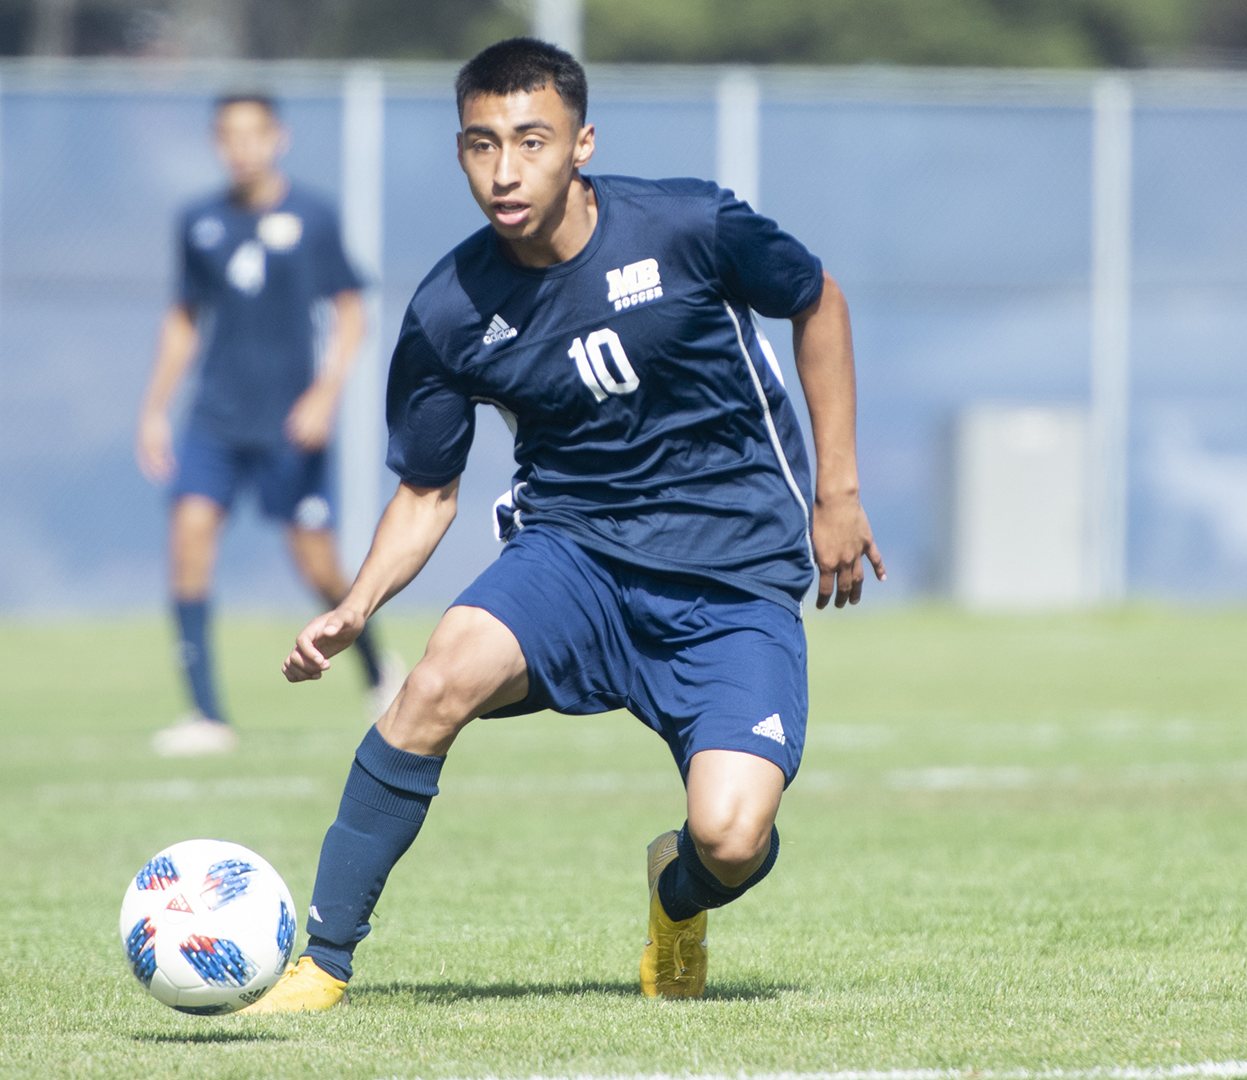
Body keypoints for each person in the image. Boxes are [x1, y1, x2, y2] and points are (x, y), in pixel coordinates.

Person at [240, 38, 885, 1012]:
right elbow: (427, 491)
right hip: (576, 559)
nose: (504, 170)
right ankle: (322, 962)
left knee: (732, 838)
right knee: (436, 679)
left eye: (530, 141)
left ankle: (679, 900)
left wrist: (838, 493)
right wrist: (356, 605)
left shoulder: (687, 226)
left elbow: (817, 298)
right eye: (480, 144)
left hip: (732, 576)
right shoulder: (449, 312)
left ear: (580, 143)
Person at [137, 93, 401, 758]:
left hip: (291, 424)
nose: (242, 146)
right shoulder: (199, 221)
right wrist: (154, 411)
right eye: (229, 134)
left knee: (316, 564)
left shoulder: (311, 216)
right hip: (215, 419)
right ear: (216, 141)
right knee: (189, 538)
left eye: (255, 133)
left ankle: (376, 669)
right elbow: (183, 320)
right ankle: (205, 713)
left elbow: (350, 315)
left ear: (278, 138)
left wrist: (325, 394)